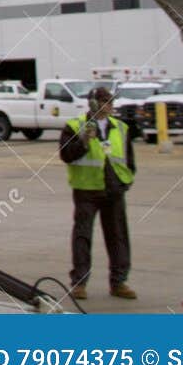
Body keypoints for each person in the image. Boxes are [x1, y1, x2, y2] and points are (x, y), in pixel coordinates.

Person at [59, 86, 137, 300]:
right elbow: (66, 155)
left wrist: (125, 180)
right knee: (83, 236)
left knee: (118, 237)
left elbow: (129, 160)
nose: (108, 106)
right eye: (103, 101)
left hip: (114, 191)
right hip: (87, 190)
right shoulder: (75, 126)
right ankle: (79, 283)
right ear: (92, 103)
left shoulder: (120, 128)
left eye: (110, 101)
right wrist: (84, 140)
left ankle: (119, 282)